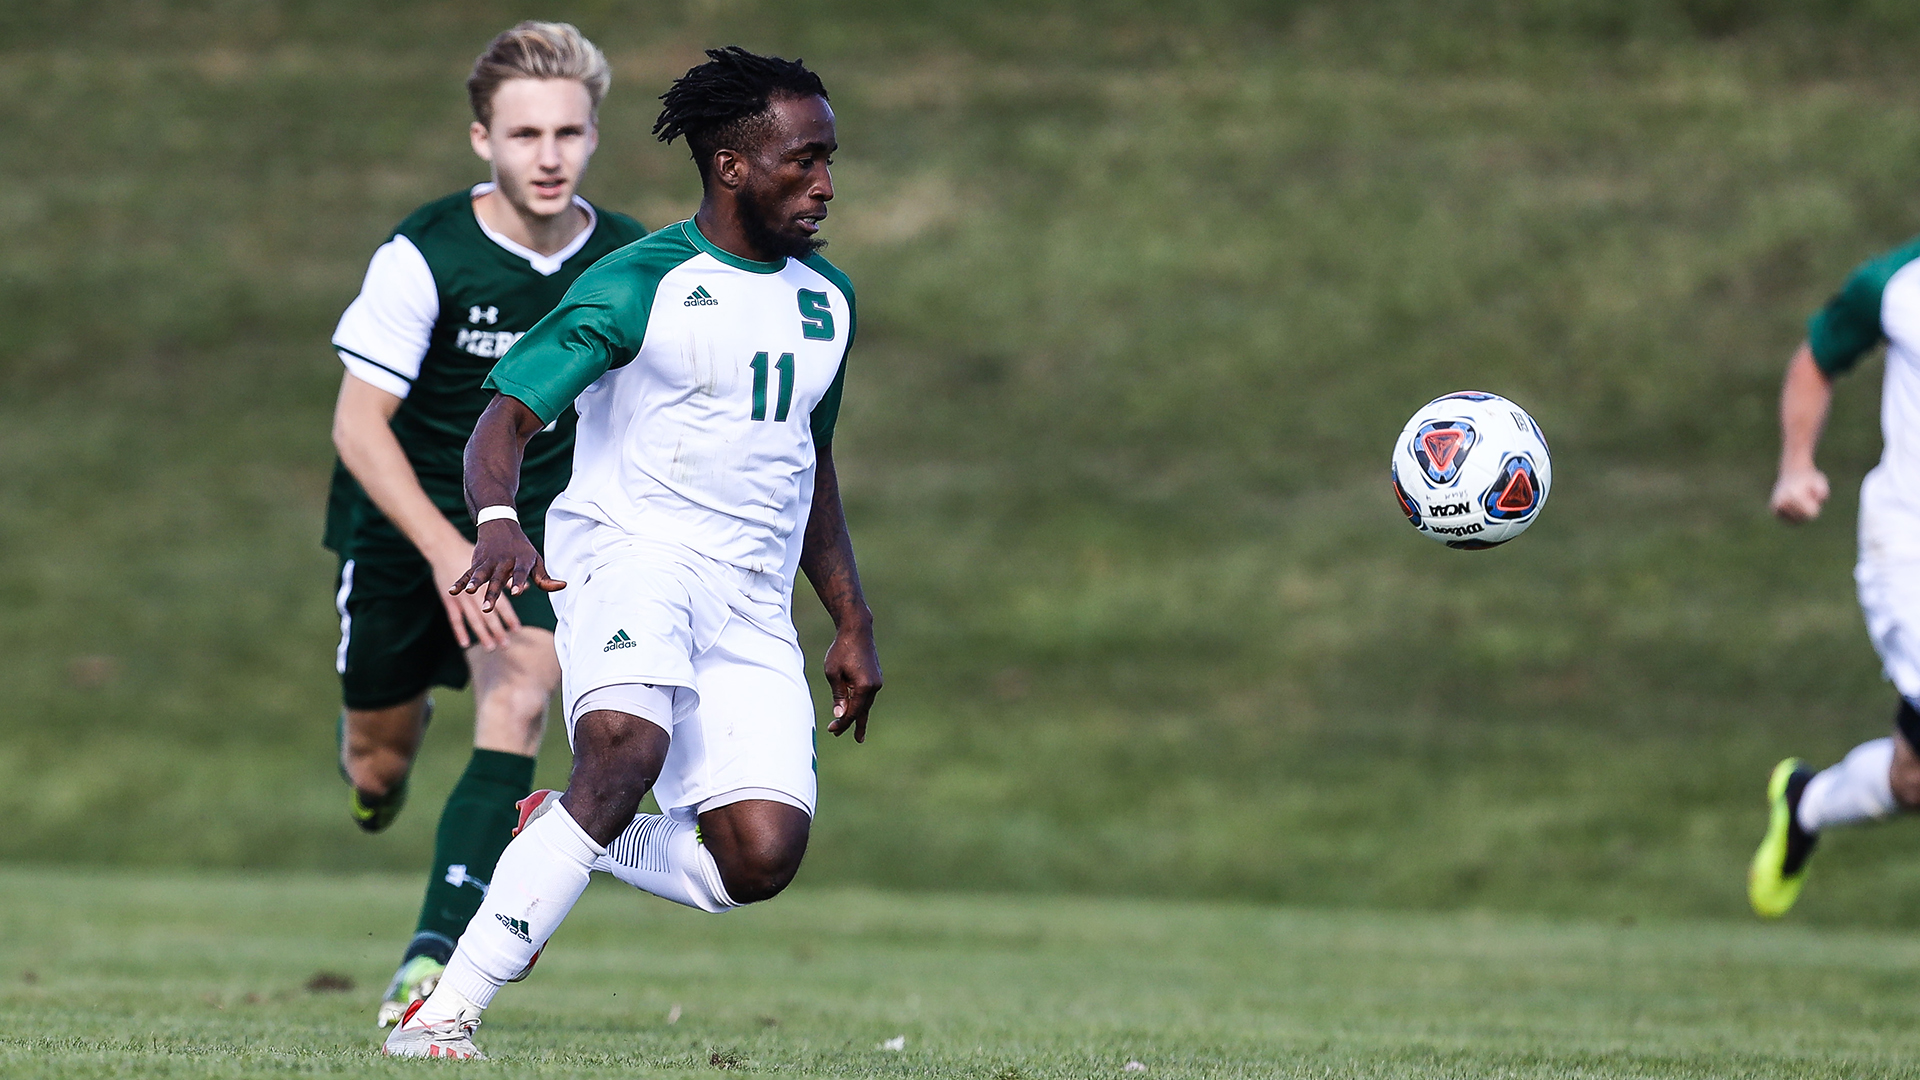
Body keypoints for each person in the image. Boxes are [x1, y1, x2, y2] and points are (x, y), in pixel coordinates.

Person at [382, 46, 883, 1060]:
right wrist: (496, 521)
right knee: (623, 747)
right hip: (632, 556)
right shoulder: (639, 282)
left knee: (759, 860)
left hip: (747, 600)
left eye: (830, 159)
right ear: (733, 166)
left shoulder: (827, 303)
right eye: (804, 160)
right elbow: (506, 421)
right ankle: (445, 1009)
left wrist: (851, 617)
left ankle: (559, 829)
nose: (825, 183)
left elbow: (808, 465)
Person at [323, 21, 647, 1024]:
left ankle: (430, 961)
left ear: (593, 136)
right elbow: (356, 424)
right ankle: (384, 768)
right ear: (483, 142)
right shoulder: (426, 254)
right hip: (404, 524)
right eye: (523, 136)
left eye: (567, 133)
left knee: (518, 699)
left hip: (532, 535)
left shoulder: (633, 259)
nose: (547, 157)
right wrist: (444, 549)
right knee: (377, 762)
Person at [1749, 236, 1920, 917]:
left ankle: (1808, 804)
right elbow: (1818, 358)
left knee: (1912, 781)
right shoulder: (1898, 284)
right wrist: (1797, 464)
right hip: (1909, 546)